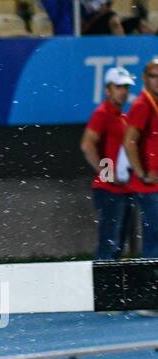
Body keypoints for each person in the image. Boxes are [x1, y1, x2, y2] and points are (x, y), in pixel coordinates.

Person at [82, 66, 135, 260]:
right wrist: (107, 175)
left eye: (126, 88)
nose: (123, 92)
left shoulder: (121, 117)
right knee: (109, 245)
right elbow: (87, 145)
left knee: (117, 245)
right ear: (108, 89)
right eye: (119, 87)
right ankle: (104, 288)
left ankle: (110, 287)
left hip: (122, 189)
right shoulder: (103, 113)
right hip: (109, 190)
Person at [123, 57, 158, 258]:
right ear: (145, 79)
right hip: (149, 186)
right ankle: (148, 285)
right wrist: (142, 173)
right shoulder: (142, 104)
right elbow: (129, 141)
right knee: (153, 238)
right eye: (153, 76)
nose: (157, 81)